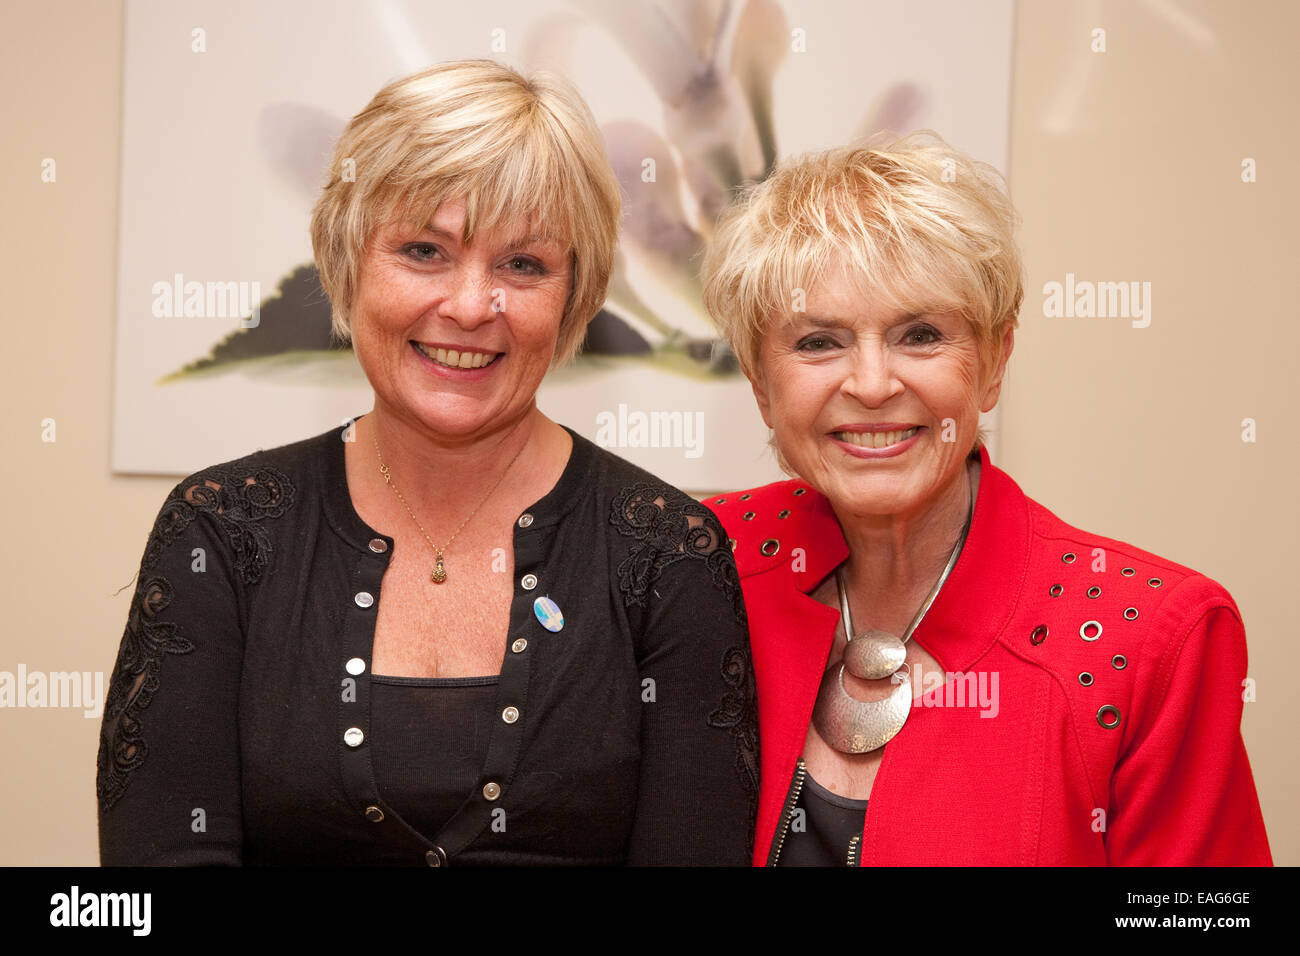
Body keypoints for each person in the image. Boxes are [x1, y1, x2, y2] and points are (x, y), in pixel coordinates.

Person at [97, 59, 757, 866]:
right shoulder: (221, 532)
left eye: (524, 264)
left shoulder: (668, 553)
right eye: (424, 250)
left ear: (574, 295)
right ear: (347, 265)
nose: (473, 305)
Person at [700, 131, 1271, 866]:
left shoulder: (1151, 637)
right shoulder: (695, 564)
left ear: (994, 363)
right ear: (759, 383)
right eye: (818, 342)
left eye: (921, 334)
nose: (872, 385)